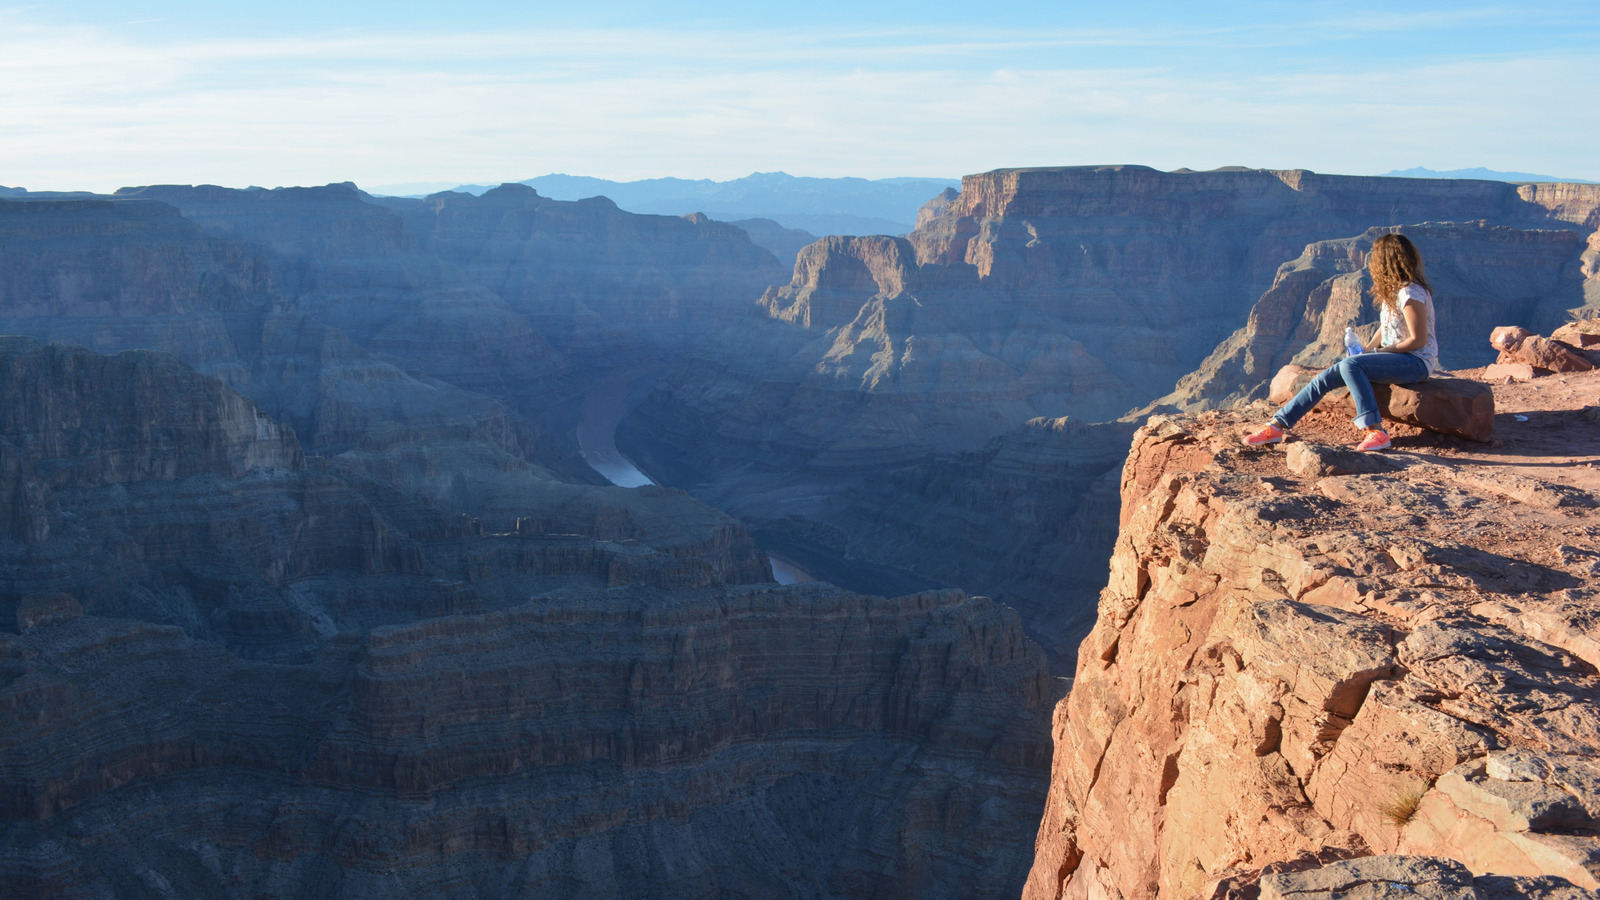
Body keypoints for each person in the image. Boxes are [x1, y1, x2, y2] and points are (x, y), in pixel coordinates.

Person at [1242, 232, 1438, 452]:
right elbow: (1386, 329)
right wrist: (1368, 351)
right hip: (1394, 357)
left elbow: (1418, 340)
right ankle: (1276, 426)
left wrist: (1379, 353)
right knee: (1327, 376)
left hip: (1415, 362)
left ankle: (1376, 431)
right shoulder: (1394, 292)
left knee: (1350, 365)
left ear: (1384, 262)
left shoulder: (1410, 293)